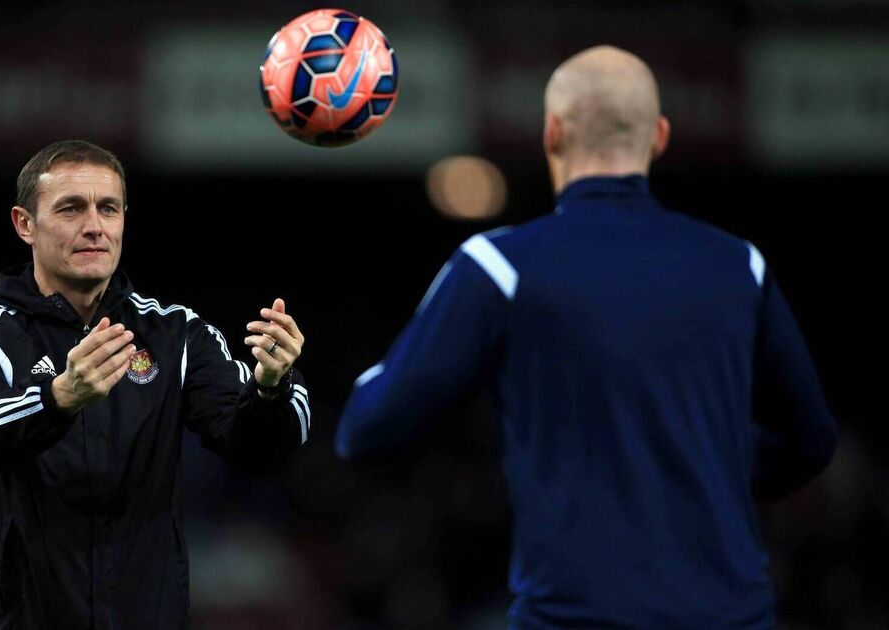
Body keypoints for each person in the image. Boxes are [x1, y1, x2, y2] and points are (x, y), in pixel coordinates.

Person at [334, 46, 836, 627]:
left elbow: (367, 431)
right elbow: (811, 440)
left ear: (551, 132)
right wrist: (705, 473)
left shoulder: (501, 268)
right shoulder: (739, 265)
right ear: (660, 137)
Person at [0, 140, 310, 629]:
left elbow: (262, 451)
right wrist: (59, 397)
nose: (94, 226)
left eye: (108, 208)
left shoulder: (176, 334)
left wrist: (272, 388)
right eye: (70, 208)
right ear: (25, 224)